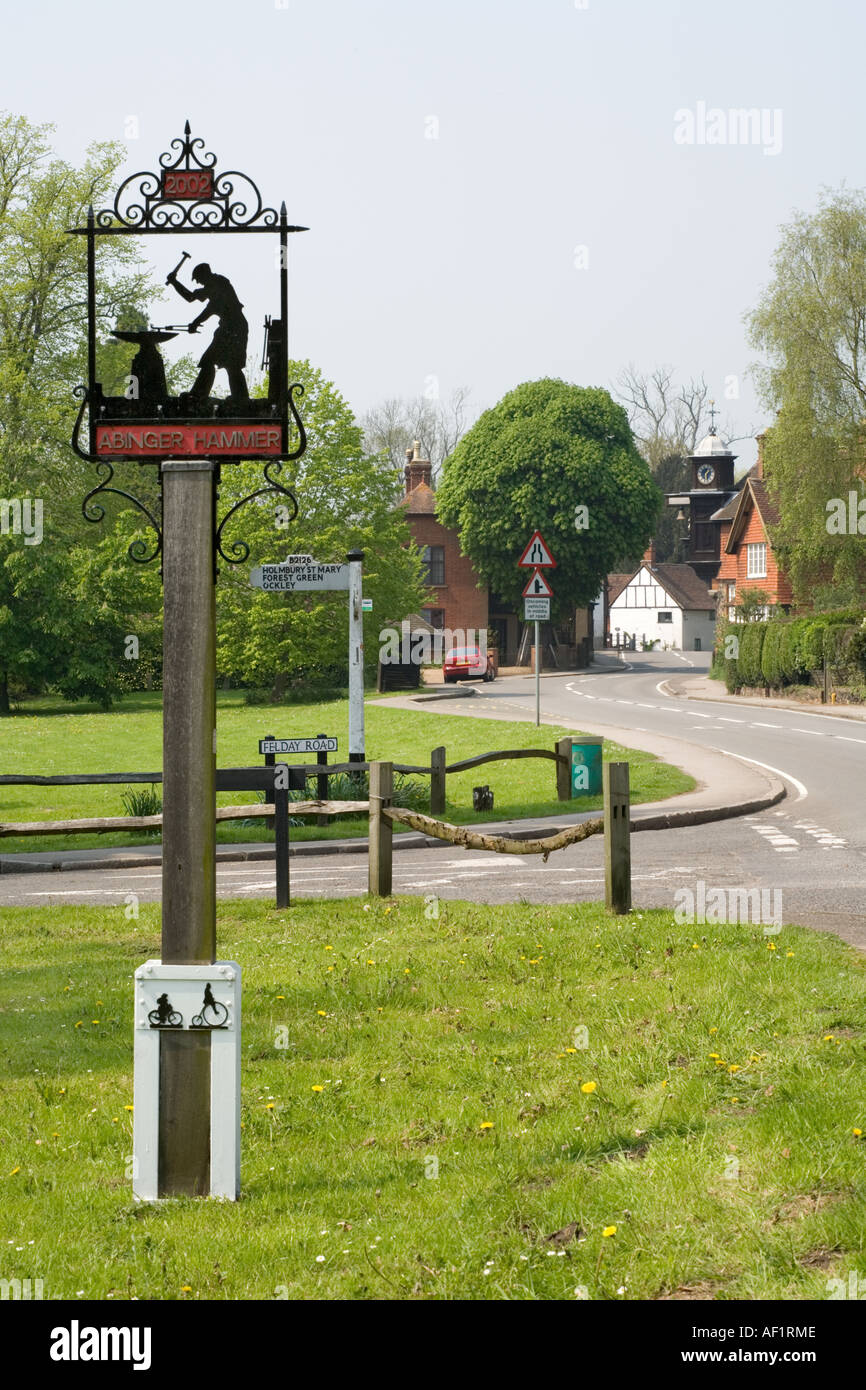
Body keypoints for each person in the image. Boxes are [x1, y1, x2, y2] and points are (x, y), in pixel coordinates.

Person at [168, 262, 249, 402]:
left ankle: (200, 395)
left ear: (205, 275)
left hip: (233, 328)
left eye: (199, 279)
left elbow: (208, 308)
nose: (199, 283)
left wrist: (195, 323)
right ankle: (238, 397)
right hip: (231, 327)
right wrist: (175, 283)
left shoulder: (218, 285)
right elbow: (191, 297)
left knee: (217, 362)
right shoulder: (215, 284)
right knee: (226, 363)